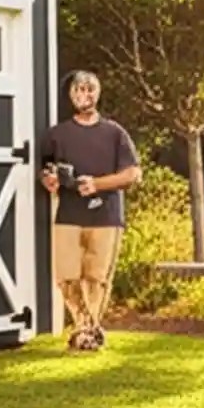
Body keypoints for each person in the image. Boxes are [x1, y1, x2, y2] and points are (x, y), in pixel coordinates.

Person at [40, 70, 142, 351]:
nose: (85, 95)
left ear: (98, 93)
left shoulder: (115, 133)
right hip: (68, 216)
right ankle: (87, 327)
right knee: (66, 276)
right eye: (79, 90)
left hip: (106, 216)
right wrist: (48, 180)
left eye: (90, 89)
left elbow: (133, 174)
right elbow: (45, 169)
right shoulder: (56, 135)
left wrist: (96, 184)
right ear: (70, 95)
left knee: (97, 278)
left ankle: (85, 333)